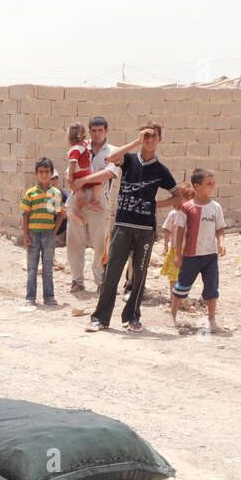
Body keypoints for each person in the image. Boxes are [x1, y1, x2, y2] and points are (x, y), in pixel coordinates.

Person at [85, 123, 188, 333]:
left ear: (160, 139)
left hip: (145, 229)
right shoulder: (130, 160)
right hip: (123, 225)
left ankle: (132, 316)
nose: (149, 140)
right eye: (146, 136)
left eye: (153, 136)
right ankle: (100, 318)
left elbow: (179, 196)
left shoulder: (161, 170)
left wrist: (155, 205)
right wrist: (135, 142)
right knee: (112, 272)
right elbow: (110, 158)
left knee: (139, 275)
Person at [170, 168, 229, 333]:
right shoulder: (187, 208)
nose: (212, 186)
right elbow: (180, 230)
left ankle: (211, 320)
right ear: (197, 186)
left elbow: (220, 229)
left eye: (213, 183)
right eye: (208, 184)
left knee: (212, 288)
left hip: (210, 255)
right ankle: (172, 315)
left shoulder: (216, 207)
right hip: (191, 255)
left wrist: (221, 243)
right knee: (182, 287)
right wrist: (178, 254)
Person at [67, 116, 118, 294]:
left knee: (100, 243)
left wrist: (84, 181)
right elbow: (70, 173)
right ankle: (77, 280)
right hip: (78, 199)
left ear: (107, 131)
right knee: (75, 241)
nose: (96, 134)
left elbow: (109, 173)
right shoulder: (81, 147)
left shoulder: (112, 151)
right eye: (93, 131)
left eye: (100, 130)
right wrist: (78, 189)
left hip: (99, 202)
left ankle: (100, 281)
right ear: (89, 131)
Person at [20, 157, 63, 308]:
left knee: (47, 266)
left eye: (47, 172)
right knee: (32, 267)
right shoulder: (31, 193)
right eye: (41, 172)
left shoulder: (55, 193)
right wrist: (25, 235)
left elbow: (60, 214)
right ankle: (30, 297)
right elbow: (25, 215)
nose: (44, 175)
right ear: (36, 174)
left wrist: (54, 231)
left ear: (51, 173)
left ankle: (49, 297)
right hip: (33, 234)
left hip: (48, 235)